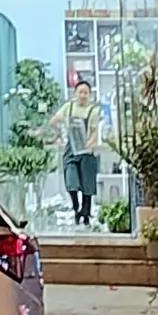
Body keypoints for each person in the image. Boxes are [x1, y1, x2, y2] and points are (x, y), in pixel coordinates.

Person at [59, 73, 105, 227]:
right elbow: (55, 120)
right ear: (75, 93)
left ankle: (85, 214)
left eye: (86, 92)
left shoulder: (93, 111)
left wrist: (89, 144)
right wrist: (56, 134)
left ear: (89, 94)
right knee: (71, 180)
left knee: (87, 184)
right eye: (80, 92)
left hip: (86, 150)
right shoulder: (68, 107)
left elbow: (94, 131)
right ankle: (75, 207)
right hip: (71, 150)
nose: (83, 95)